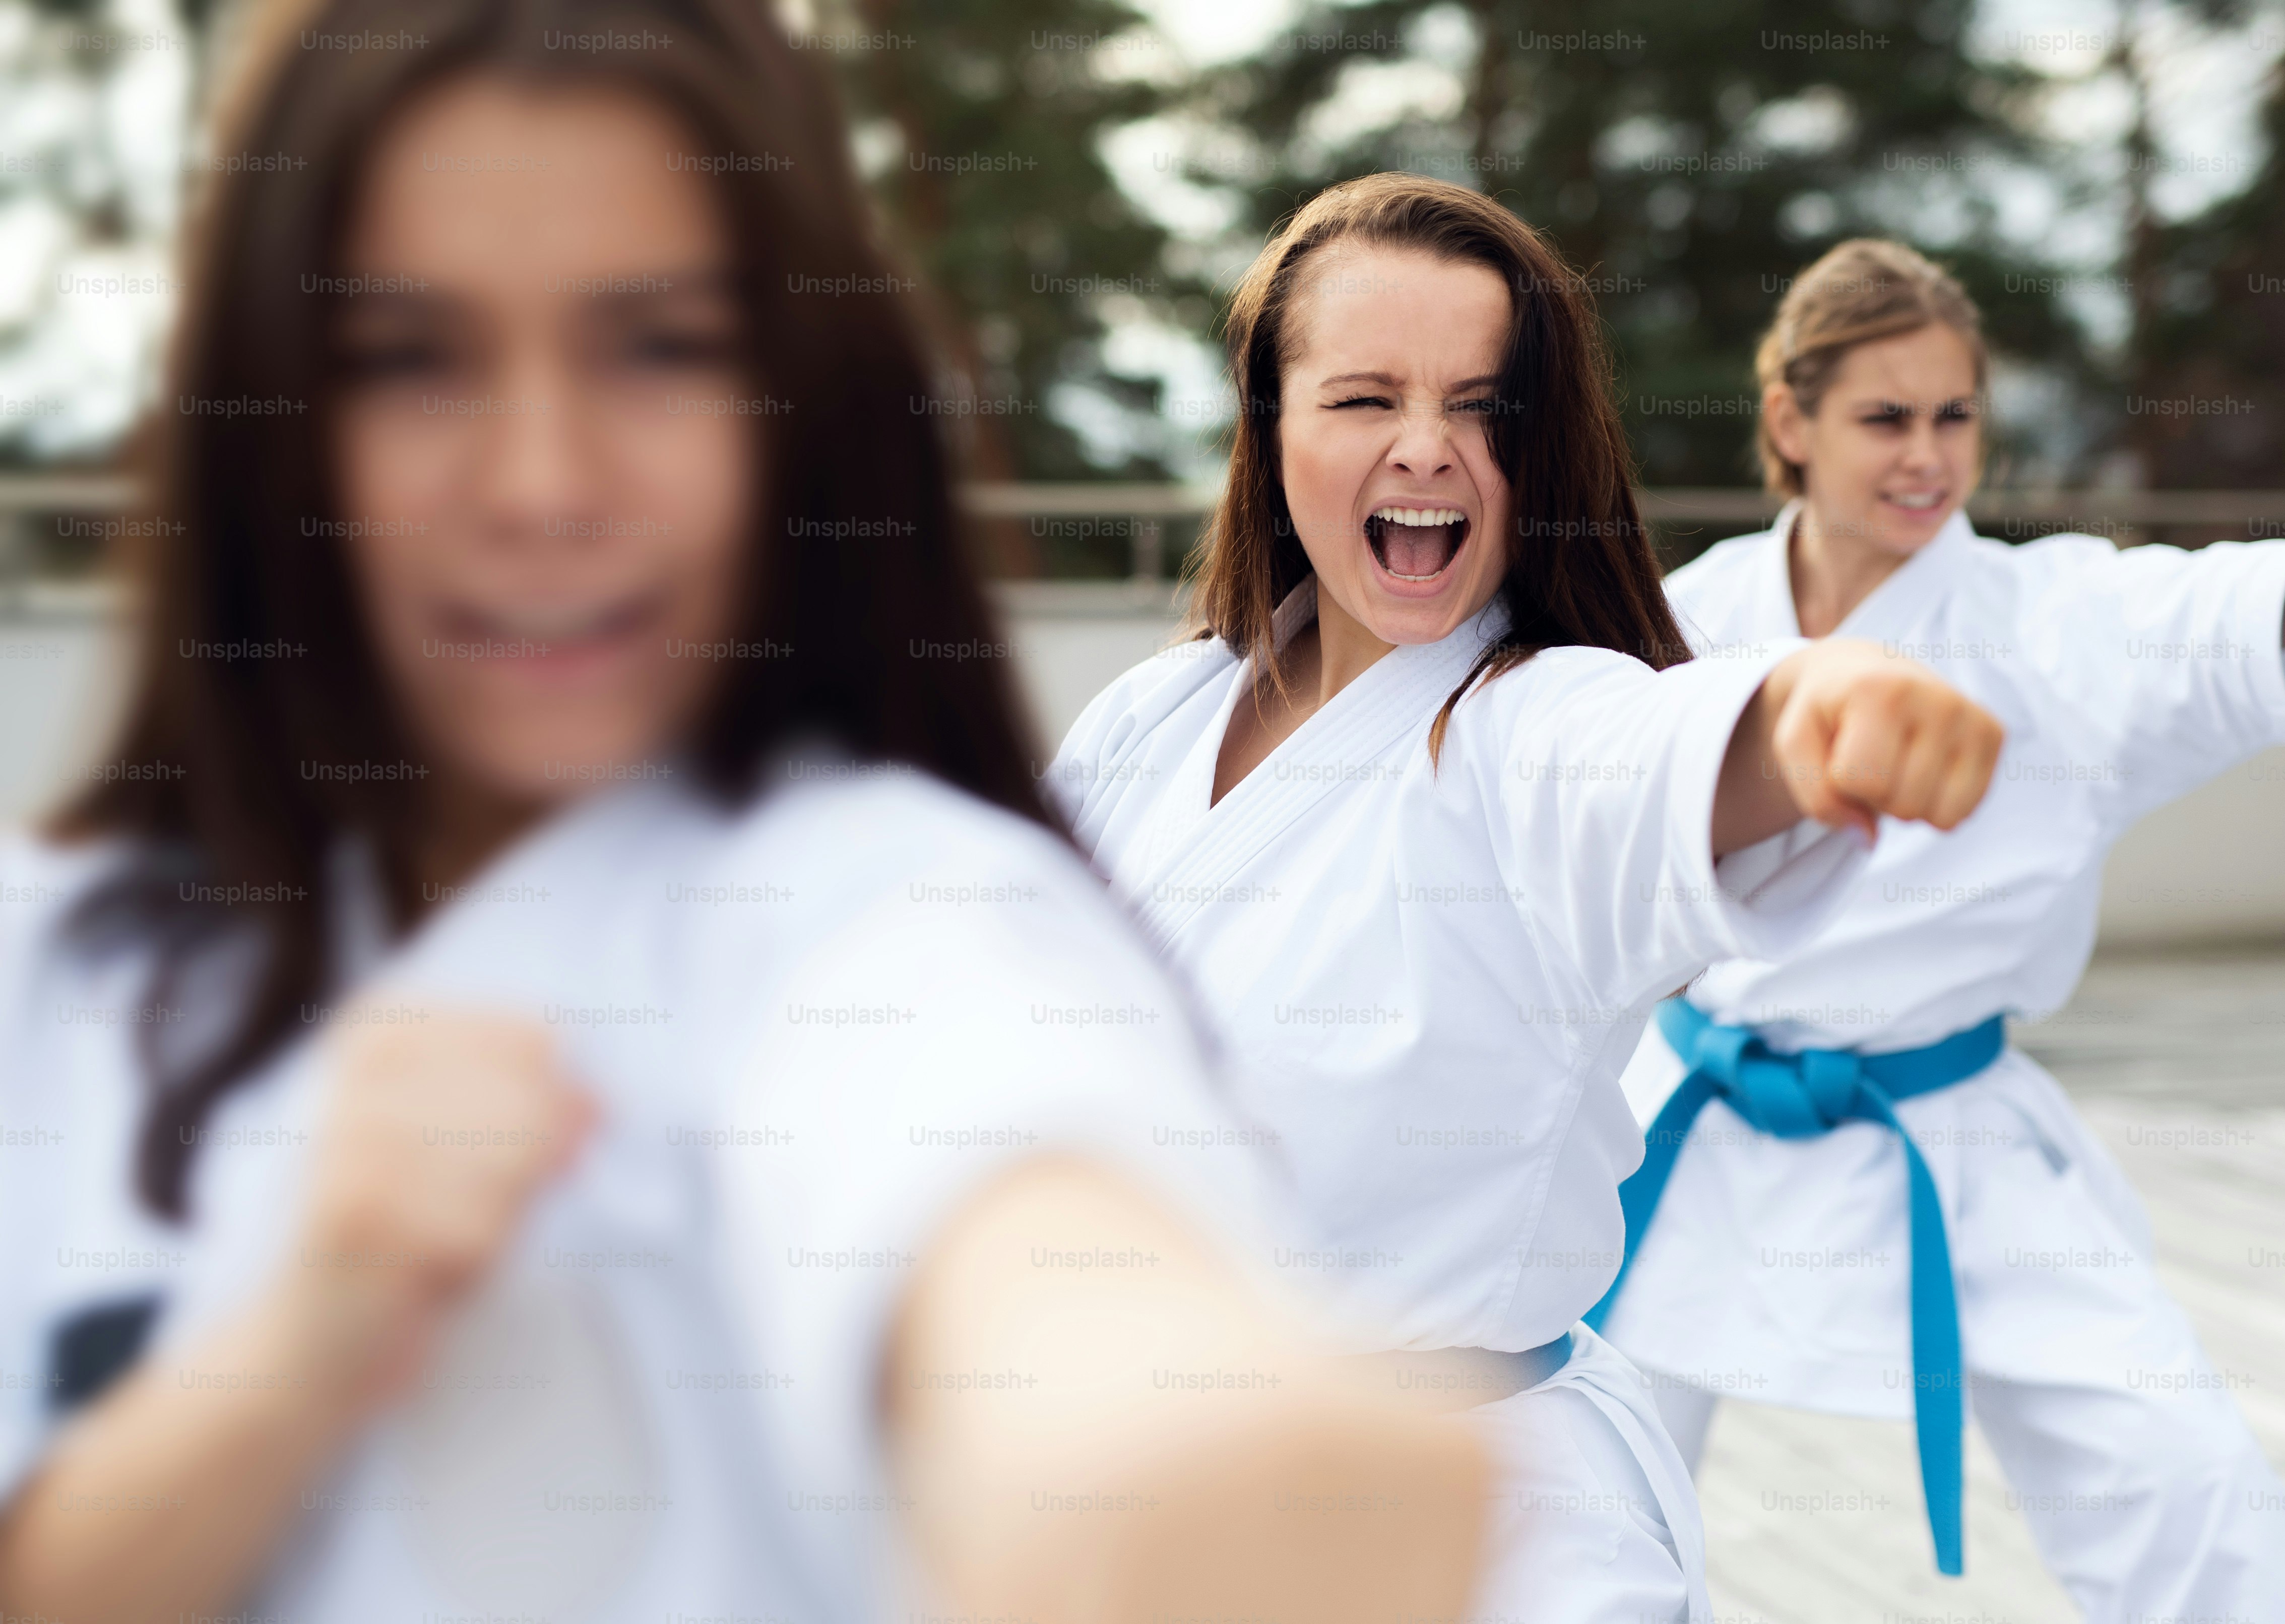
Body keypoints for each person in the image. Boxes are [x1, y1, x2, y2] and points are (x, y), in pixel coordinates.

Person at [0, 6, 1489, 1623]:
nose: (542, 482)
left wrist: (1173, 1461)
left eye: (660, 349)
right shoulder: (61, 952)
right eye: (411, 358)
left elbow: (1026, 1210)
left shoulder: (884, 899)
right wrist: (301, 1336)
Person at [1046, 175, 2008, 1624]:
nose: (1429, 449)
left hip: (1475, 1534)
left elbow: (1668, 753)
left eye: (1487, 408)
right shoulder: (1153, 718)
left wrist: (1824, 706)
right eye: (1364, 397)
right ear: (1271, 428)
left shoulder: (1534, 725)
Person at [1591, 238, 2285, 1622]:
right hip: (1684, 1122)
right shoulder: (1681, 619)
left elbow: (2181, 608)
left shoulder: (2043, 616)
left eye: (1955, 416)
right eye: (1886, 417)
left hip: (1952, 1137)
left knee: (2180, 1472)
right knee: (1575, 1492)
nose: (1929, 455)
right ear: (1789, 423)